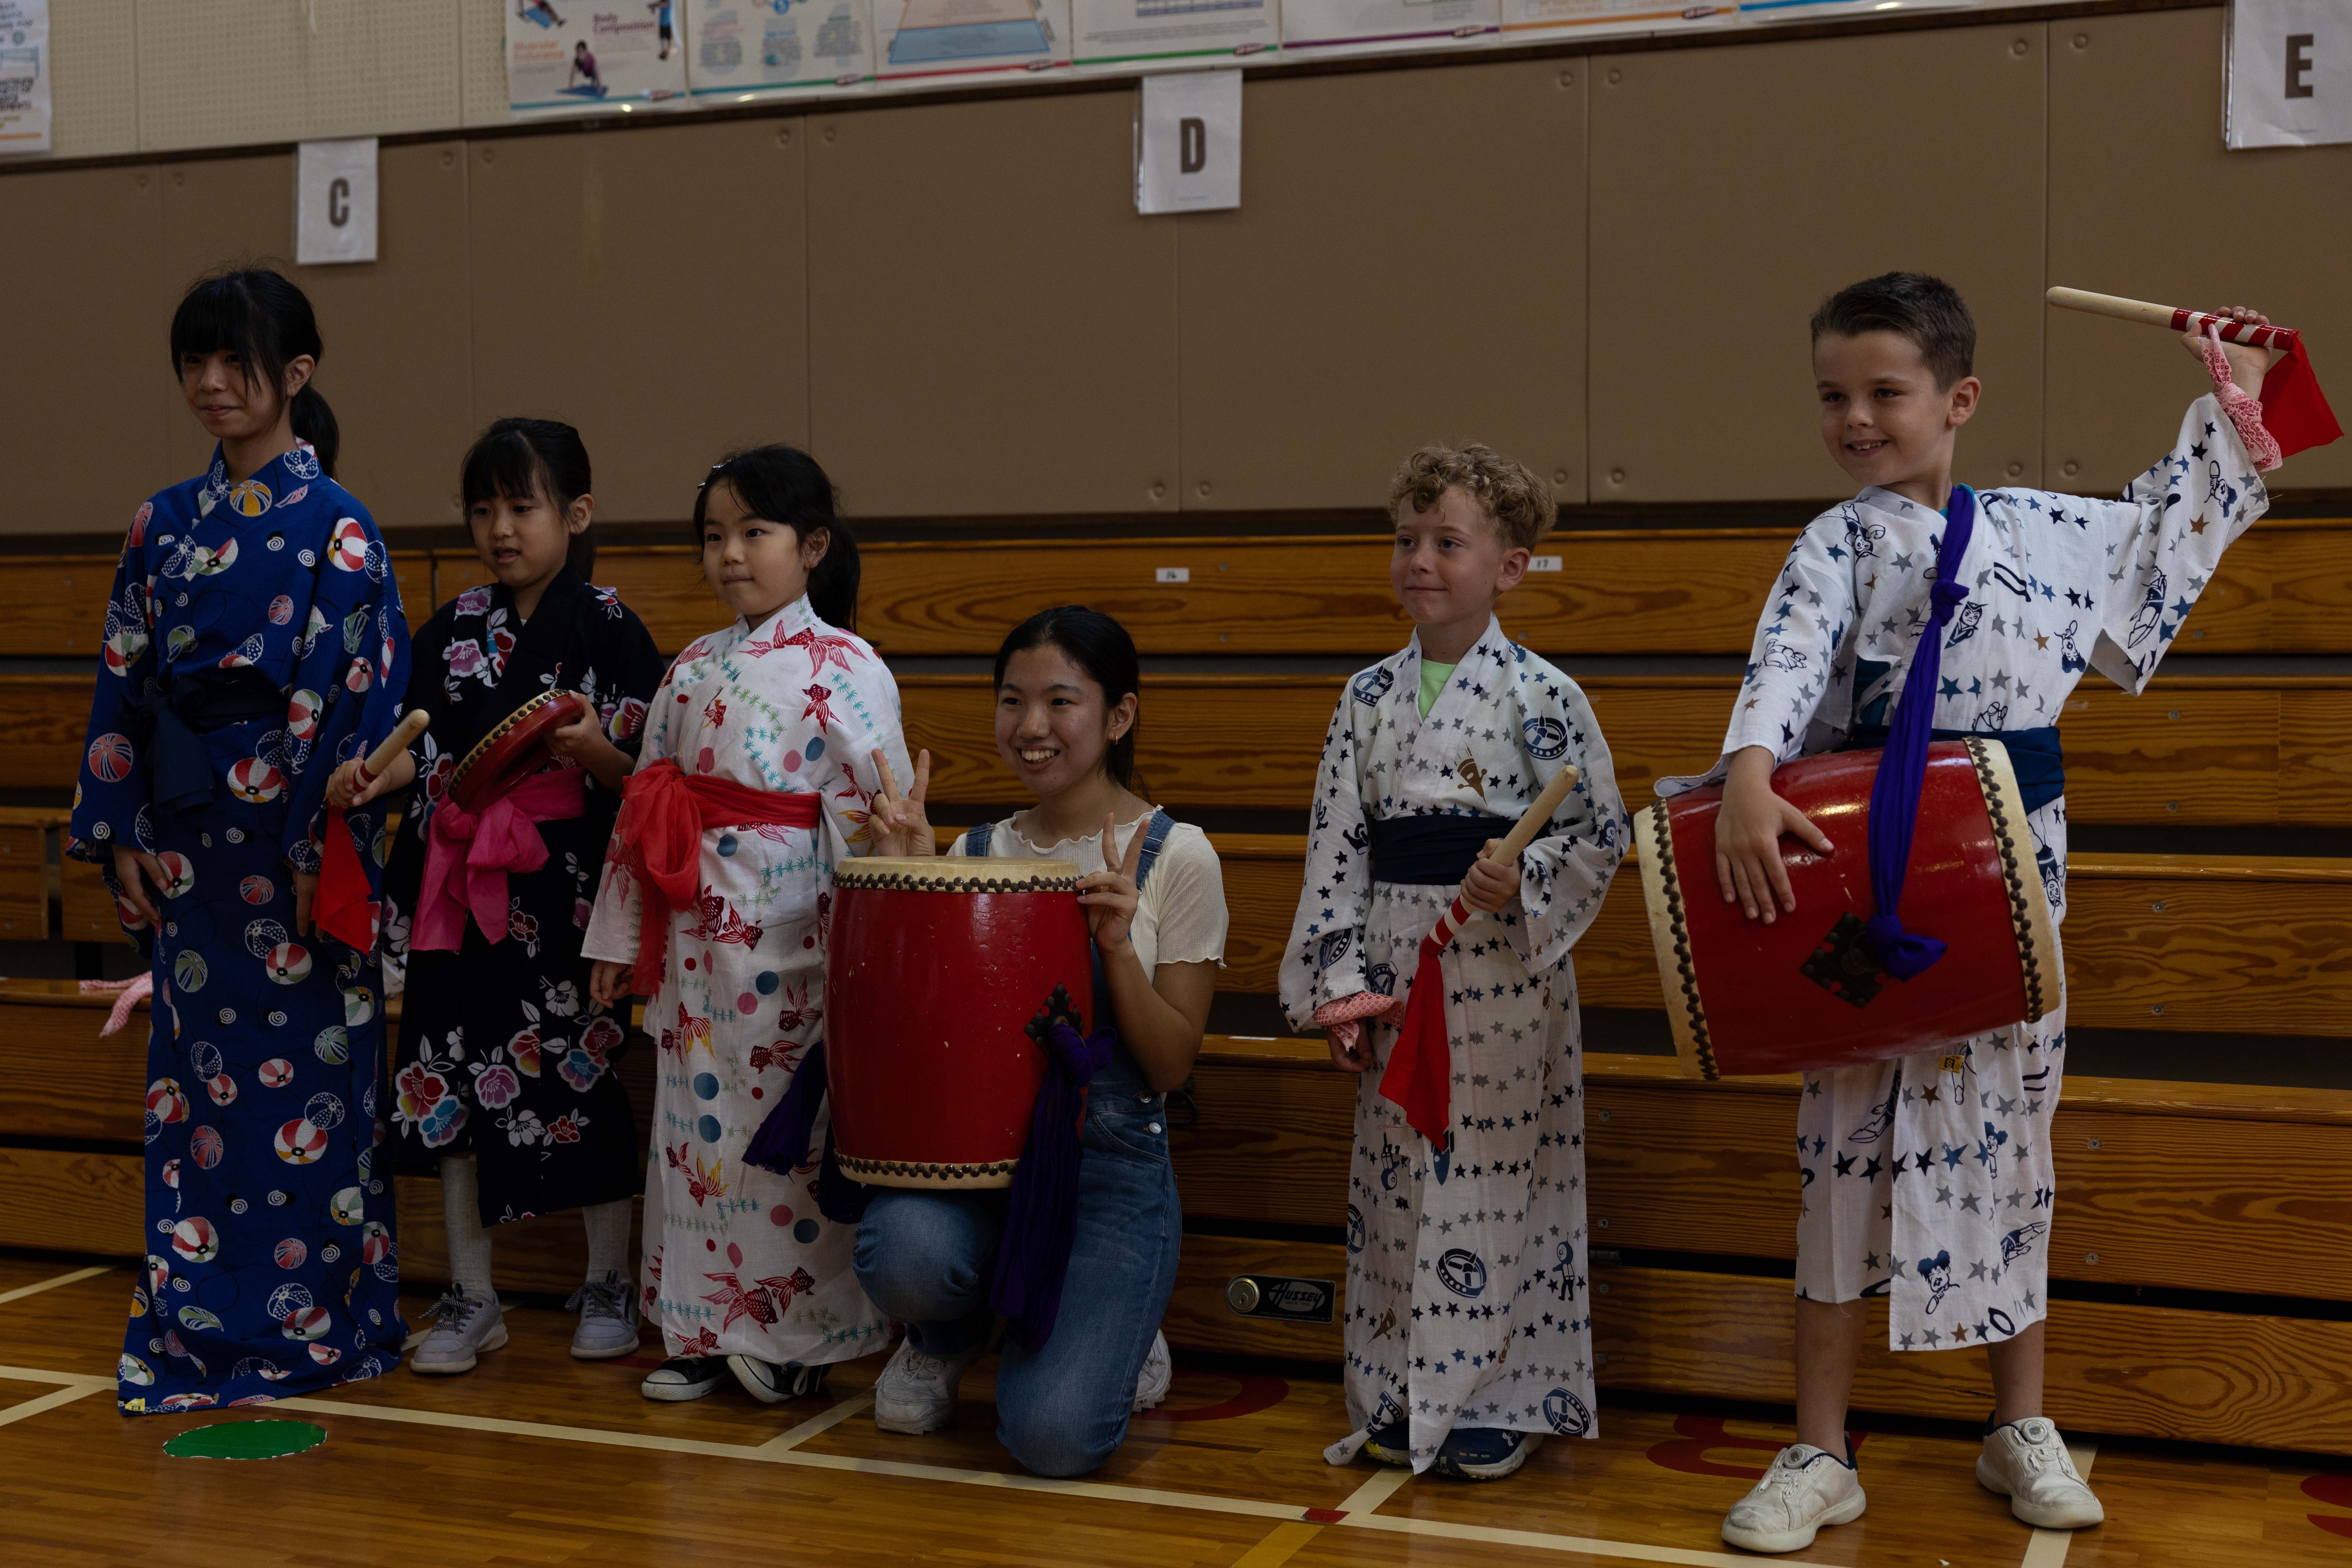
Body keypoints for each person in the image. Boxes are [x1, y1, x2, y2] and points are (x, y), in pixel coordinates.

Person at [1687, 273, 2284, 1554]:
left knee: (2010, 1138)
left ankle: (2019, 1422)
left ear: (1956, 400)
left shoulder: (2036, 528)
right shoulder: (1830, 543)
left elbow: (2156, 528)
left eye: (1883, 392)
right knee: (1837, 1148)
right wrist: (1744, 771)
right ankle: (1818, 1444)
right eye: (1833, 395)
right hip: (1862, 871)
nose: (1855, 418)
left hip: (2007, 871)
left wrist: (2226, 394)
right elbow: (1783, 660)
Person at [73, 266, 412, 1413]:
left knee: (313, 1094)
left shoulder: (343, 529)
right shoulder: (159, 524)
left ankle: (324, 1320)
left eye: (238, 364)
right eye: (194, 363)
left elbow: (360, 690)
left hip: (296, 845)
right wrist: (118, 828)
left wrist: (323, 809)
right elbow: (126, 678)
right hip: (186, 849)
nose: (211, 384)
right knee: (198, 1092)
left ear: (297, 376)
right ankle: (196, 1313)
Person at [1277, 444, 1627, 1481]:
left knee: (1494, 1182)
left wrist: (1517, 877)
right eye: (1405, 540)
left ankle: (1495, 1394)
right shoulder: (1365, 696)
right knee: (1396, 1186)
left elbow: (1600, 829)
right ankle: (1398, 1386)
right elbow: (1336, 843)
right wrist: (1339, 990)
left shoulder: (1542, 692)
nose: (1418, 560)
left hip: (1502, 978)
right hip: (1397, 963)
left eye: (1446, 542)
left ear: (1511, 566)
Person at [854, 605, 1228, 1477]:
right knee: (901, 1250)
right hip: (983, 1172)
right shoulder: (974, 849)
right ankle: (948, 1333)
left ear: (1119, 716)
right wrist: (910, 874)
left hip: (1111, 1171)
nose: (1030, 728)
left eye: (1060, 702)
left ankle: (1115, 1323)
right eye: (1011, 701)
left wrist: (1113, 951)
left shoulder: (1181, 856)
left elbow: (1171, 1064)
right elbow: (924, 1042)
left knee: (1052, 1440)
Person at [329, 419, 666, 1377]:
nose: (501, 528)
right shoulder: (449, 629)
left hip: (559, 895)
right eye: (484, 509)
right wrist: (374, 779)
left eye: (522, 506)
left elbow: (647, 772)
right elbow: (414, 749)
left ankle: (608, 1281)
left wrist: (594, 750)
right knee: (448, 1083)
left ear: (578, 513)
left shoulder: (609, 626)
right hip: (457, 885)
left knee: (585, 1076)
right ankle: (473, 1296)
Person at [584, 446, 910, 1406]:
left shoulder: (848, 668)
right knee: (693, 1139)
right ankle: (694, 1328)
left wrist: (871, 950)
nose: (730, 553)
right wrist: (617, 934)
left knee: (787, 1137)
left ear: (812, 547)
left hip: (796, 938)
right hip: (693, 944)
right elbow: (646, 806)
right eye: (714, 537)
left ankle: (801, 1332)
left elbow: (875, 818)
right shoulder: (690, 669)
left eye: (753, 532)